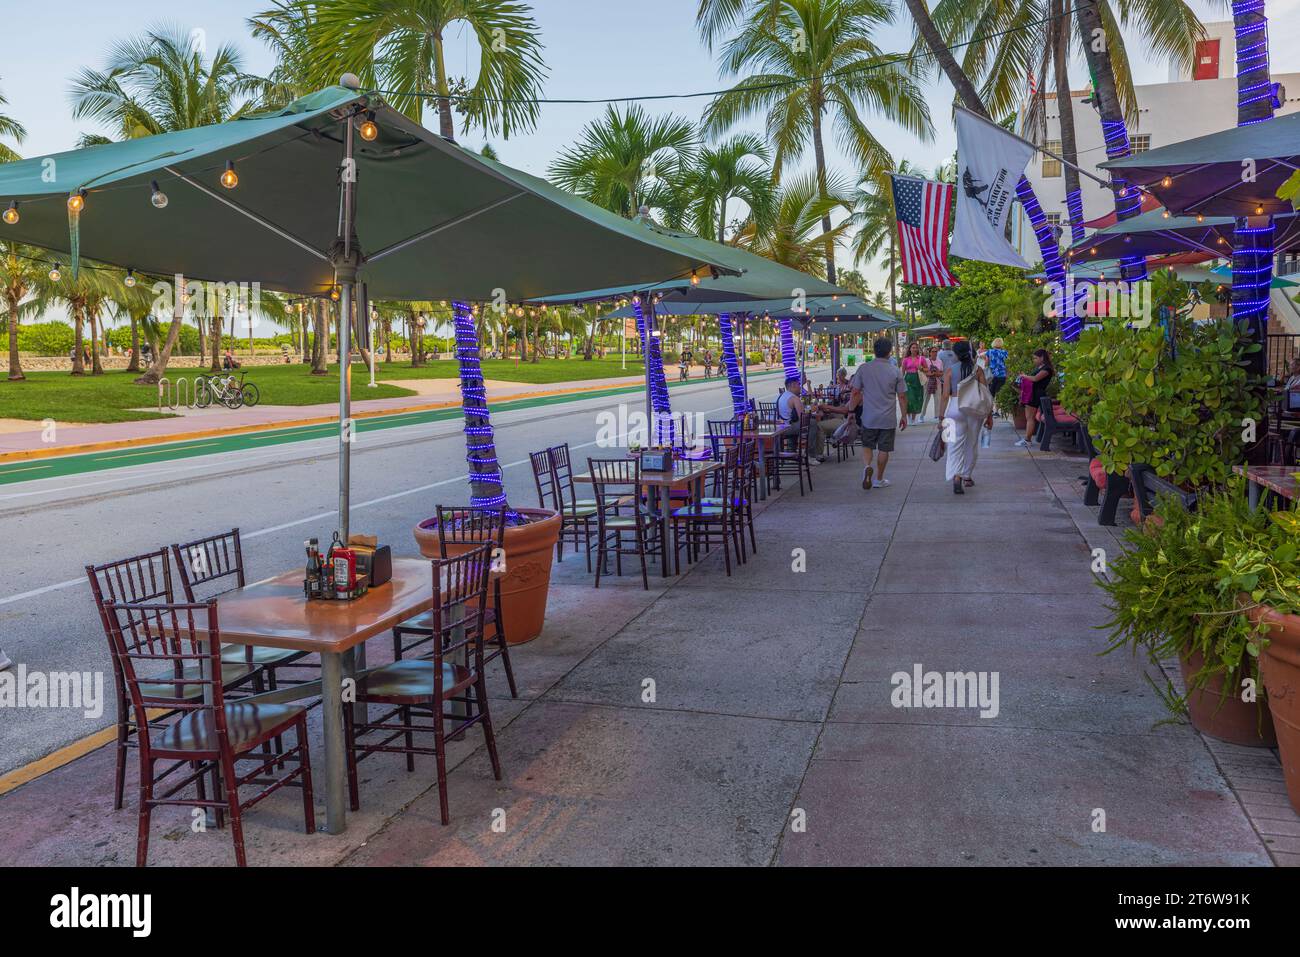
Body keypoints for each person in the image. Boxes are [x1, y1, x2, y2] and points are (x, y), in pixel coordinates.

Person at [848, 337, 908, 490]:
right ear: (889, 352)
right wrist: (904, 415)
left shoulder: (864, 368)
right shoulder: (895, 371)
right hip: (887, 418)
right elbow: (902, 396)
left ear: (874, 351)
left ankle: (867, 466)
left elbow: (855, 392)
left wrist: (850, 411)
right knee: (884, 449)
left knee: (867, 445)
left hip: (869, 417)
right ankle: (879, 479)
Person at [939, 340, 989, 494]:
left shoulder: (949, 371)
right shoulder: (978, 369)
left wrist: (941, 417)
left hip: (954, 409)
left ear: (955, 354)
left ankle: (956, 476)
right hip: (973, 409)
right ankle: (966, 475)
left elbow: (945, 395)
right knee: (971, 443)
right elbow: (985, 393)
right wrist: (990, 414)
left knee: (954, 444)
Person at [776, 376, 830, 464]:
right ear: (793, 385)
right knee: (812, 424)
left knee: (806, 423)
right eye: (798, 385)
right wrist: (813, 409)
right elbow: (802, 416)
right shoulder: (794, 398)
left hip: (780, 427)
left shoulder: (782, 396)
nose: (800, 387)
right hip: (787, 428)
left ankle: (791, 453)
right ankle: (810, 456)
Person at [1015, 348, 1055, 448]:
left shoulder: (1046, 369)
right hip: (1033, 393)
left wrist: (1024, 375)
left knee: (1030, 418)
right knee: (1029, 417)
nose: (1034, 360)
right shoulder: (1041, 367)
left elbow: (1035, 379)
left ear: (1042, 358)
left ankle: (1027, 440)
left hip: (1036, 394)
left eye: (1035, 358)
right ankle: (1027, 439)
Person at [900, 342, 926, 424]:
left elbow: (927, 369)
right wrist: (900, 382)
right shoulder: (906, 359)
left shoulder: (921, 358)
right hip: (908, 380)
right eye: (913, 347)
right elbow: (902, 372)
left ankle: (913, 419)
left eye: (916, 347)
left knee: (916, 398)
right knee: (909, 398)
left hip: (918, 380)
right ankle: (908, 417)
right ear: (910, 349)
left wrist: (921, 368)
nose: (914, 349)